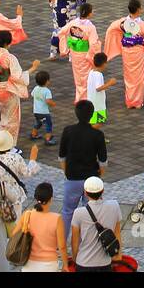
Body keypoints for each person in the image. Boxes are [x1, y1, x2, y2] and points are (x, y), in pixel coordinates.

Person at [58, 98, 107, 247]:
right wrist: (100, 175)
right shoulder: (97, 134)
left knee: (67, 212)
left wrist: (66, 172)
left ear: (76, 113)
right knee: (91, 212)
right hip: (91, 179)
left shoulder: (68, 131)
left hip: (72, 178)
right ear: (91, 114)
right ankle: (88, 244)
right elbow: (103, 160)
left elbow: (62, 156)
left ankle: (62, 246)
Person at [68, 176, 122, 272]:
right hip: (105, 263)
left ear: (85, 192)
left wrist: (75, 259)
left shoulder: (78, 213)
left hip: (83, 263)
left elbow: (74, 241)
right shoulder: (114, 206)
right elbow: (117, 233)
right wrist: (118, 254)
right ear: (103, 190)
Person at [16, 183, 67, 272]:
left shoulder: (27, 215)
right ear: (51, 199)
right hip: (49, 265)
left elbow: (14, 234)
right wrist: (65, 265)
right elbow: (62, 246)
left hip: (29, 263)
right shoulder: (57, 218)